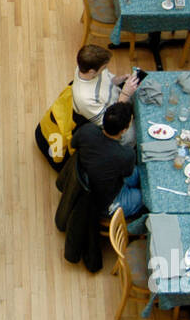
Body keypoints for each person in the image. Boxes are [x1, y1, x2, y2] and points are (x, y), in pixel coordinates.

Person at [55, 102, 139, 273]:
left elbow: (74, 145)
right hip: (104, 203)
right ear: (123, 130)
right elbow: (127, 172)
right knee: (142, 196)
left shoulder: (87, 131)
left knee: (136, 176)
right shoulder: (125, 155)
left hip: (86, 183)